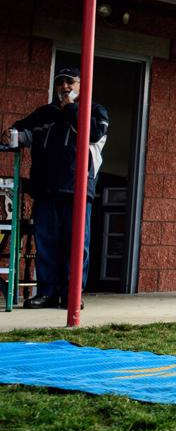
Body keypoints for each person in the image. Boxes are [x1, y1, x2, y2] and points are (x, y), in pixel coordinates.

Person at [7, 67, 108, 309]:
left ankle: (72, 295)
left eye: (70, 82)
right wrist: (11, 134)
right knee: (46, 244)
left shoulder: (95, 110)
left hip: (78, 189)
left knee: (76, 245)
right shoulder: (44, 113)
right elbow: (20, 129)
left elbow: (94, 134)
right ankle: (47, 293)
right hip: (45, 190)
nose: (64, 87)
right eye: (60, 82)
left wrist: (71, 109)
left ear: (81, 85)